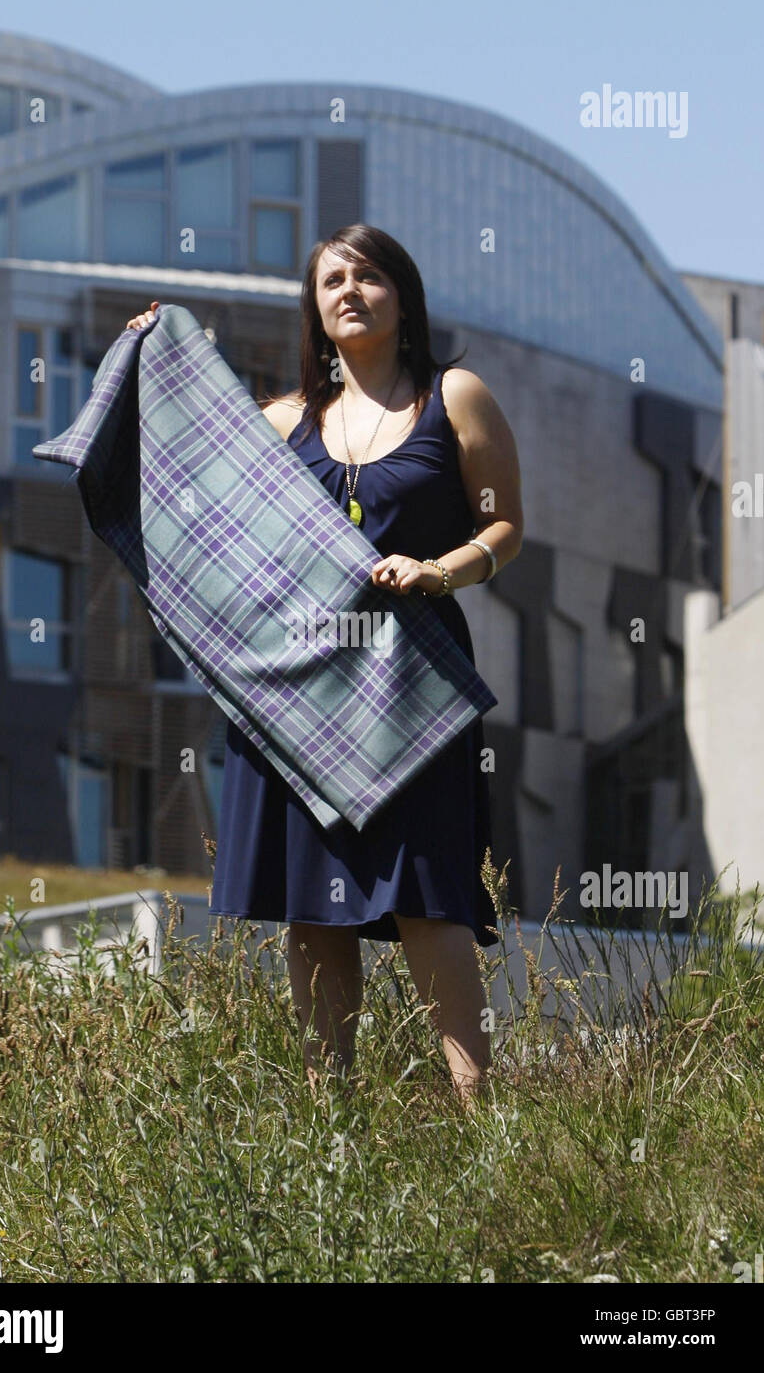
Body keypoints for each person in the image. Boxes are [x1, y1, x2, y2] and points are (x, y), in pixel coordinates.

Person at [126, 224, 523, 1105]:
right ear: (313, 307)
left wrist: (438, 570)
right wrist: (154, 352)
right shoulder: (277, 423)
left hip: (412, 680)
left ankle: (483, 1124)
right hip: (293, 686)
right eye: (331, 278)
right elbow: (176, 474)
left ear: (401, 295)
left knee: (430, 897)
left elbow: (504, 524)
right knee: (312, 904)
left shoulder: (455, 396)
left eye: (369, 275)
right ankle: (328, 1131)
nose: (349, 289)